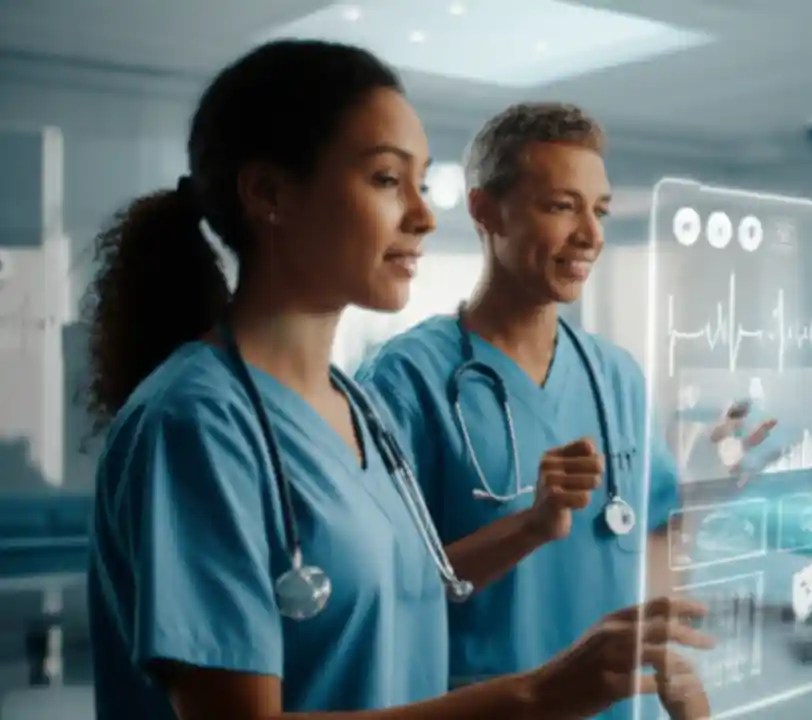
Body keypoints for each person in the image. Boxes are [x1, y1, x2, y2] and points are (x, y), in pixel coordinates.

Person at [83, 40, 714, 720]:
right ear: (269, 192)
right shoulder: (196, 425)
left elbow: (419, 588)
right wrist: (540, 695)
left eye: (422, 182)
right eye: (387, 180)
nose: (423, 215)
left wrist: (534, 531)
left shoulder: (356, 409)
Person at [357, 102, 773, 719]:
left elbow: (651, 537)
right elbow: (389, 594)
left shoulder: (616, 376)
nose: (592, 234)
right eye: (561, 206)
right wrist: (530, 525)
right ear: (484, 210)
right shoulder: (404, 379)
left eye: (599, 210)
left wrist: (675, 672)